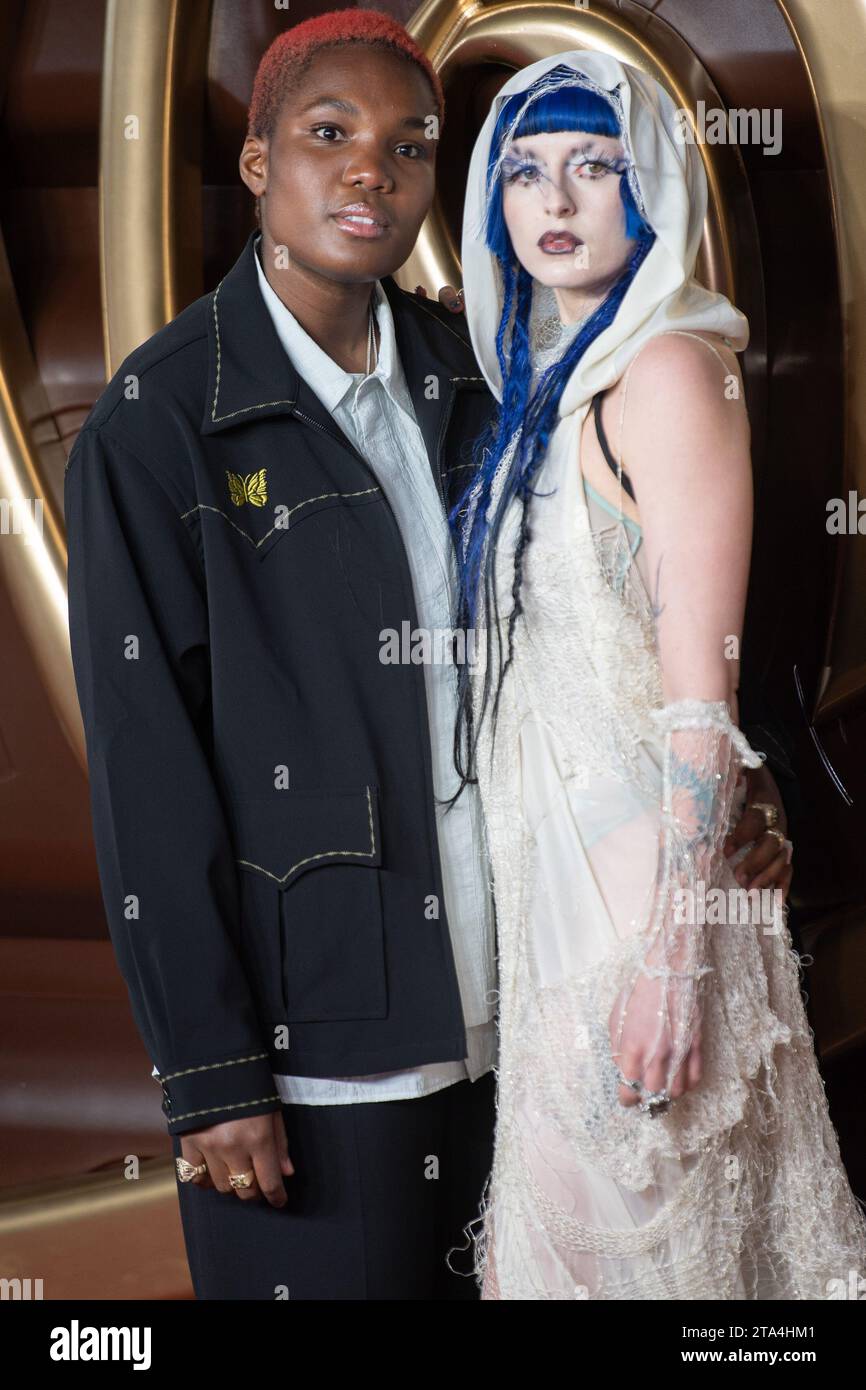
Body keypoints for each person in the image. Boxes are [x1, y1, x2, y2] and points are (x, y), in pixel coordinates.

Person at [63, 12, 792, 1300]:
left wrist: (741, 788)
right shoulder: (158, 417)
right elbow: (144, 773)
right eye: (328, 135)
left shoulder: (478, 373)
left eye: (408, 146)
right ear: (256, 163)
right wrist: (211, 1073)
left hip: (518, 1024)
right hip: (321, 1047)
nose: (369, 174)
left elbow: (626, 606)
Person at [448, 50, 866, 1299]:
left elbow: (700, 701)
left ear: (649, 194)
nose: (554, 201)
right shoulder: (539, 388)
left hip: (645, 915)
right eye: (523, 172)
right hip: (556, 908)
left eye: (593, 166)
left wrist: (674, 966)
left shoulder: (670, 371)